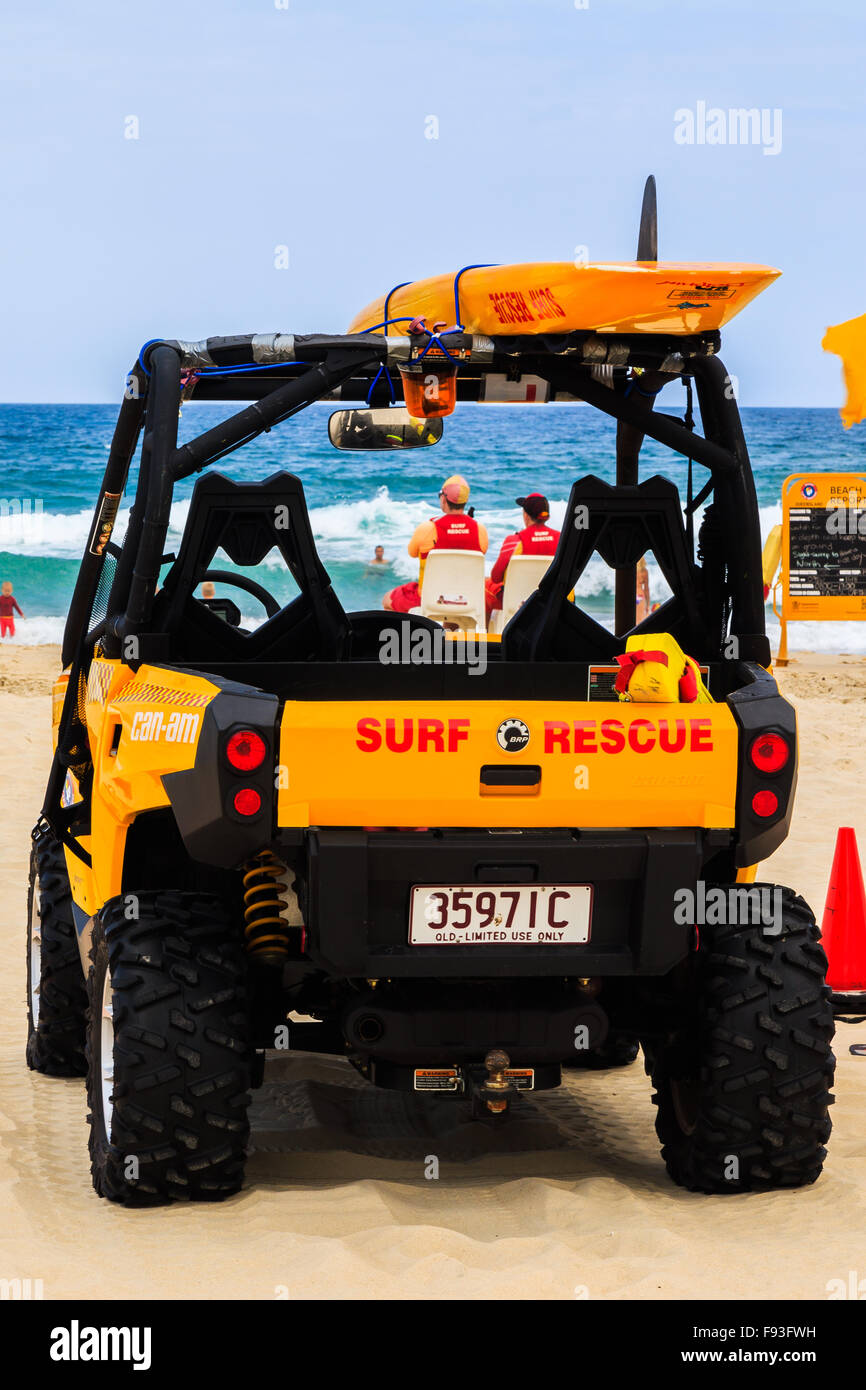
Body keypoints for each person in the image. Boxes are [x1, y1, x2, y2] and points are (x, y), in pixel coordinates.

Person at [383, 475, 488, 612]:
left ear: (443, 499)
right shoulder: (479, 530)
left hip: (429, 598)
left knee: (387, 599)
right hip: (465, 599)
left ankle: (404, 633)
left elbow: (412, 552)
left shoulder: (427, 528)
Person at [484, 493, 559, 622]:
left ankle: (488, 638)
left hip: (517, 602)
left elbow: (496, 577)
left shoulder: (514, 541)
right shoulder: (561, 539)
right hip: (552, 601)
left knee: (485, 587)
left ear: (525, 515)